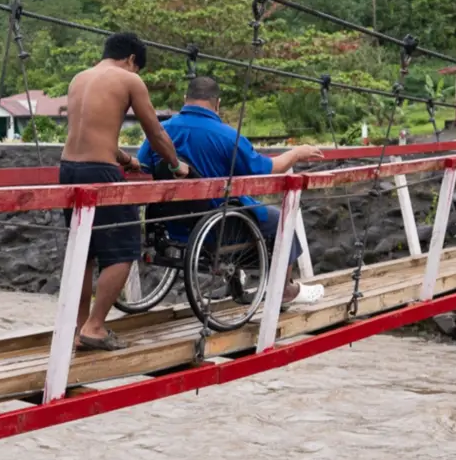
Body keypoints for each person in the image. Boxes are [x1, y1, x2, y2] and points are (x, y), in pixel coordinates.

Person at [137, 75, 327, 308]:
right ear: (217, 104)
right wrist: (297, 153)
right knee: (280, 220)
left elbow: (143, 165)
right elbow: (267, 169)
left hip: (171, 221)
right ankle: (285, 288)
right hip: (217, 226)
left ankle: (243, 279)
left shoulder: (160, 131)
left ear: (185, 99)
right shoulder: (226, 136)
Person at [59, 32, 189, 352]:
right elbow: (156, 132)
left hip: (68, 170)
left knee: (84, 253)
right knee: (125, 249)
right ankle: (96, 326)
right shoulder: (128, 80)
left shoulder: (79, 78)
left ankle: (78, 329)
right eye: (137, 68)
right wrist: (175, 165)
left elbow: (91, 132)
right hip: (99, 174)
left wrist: (127, 160)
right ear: (131, 60)